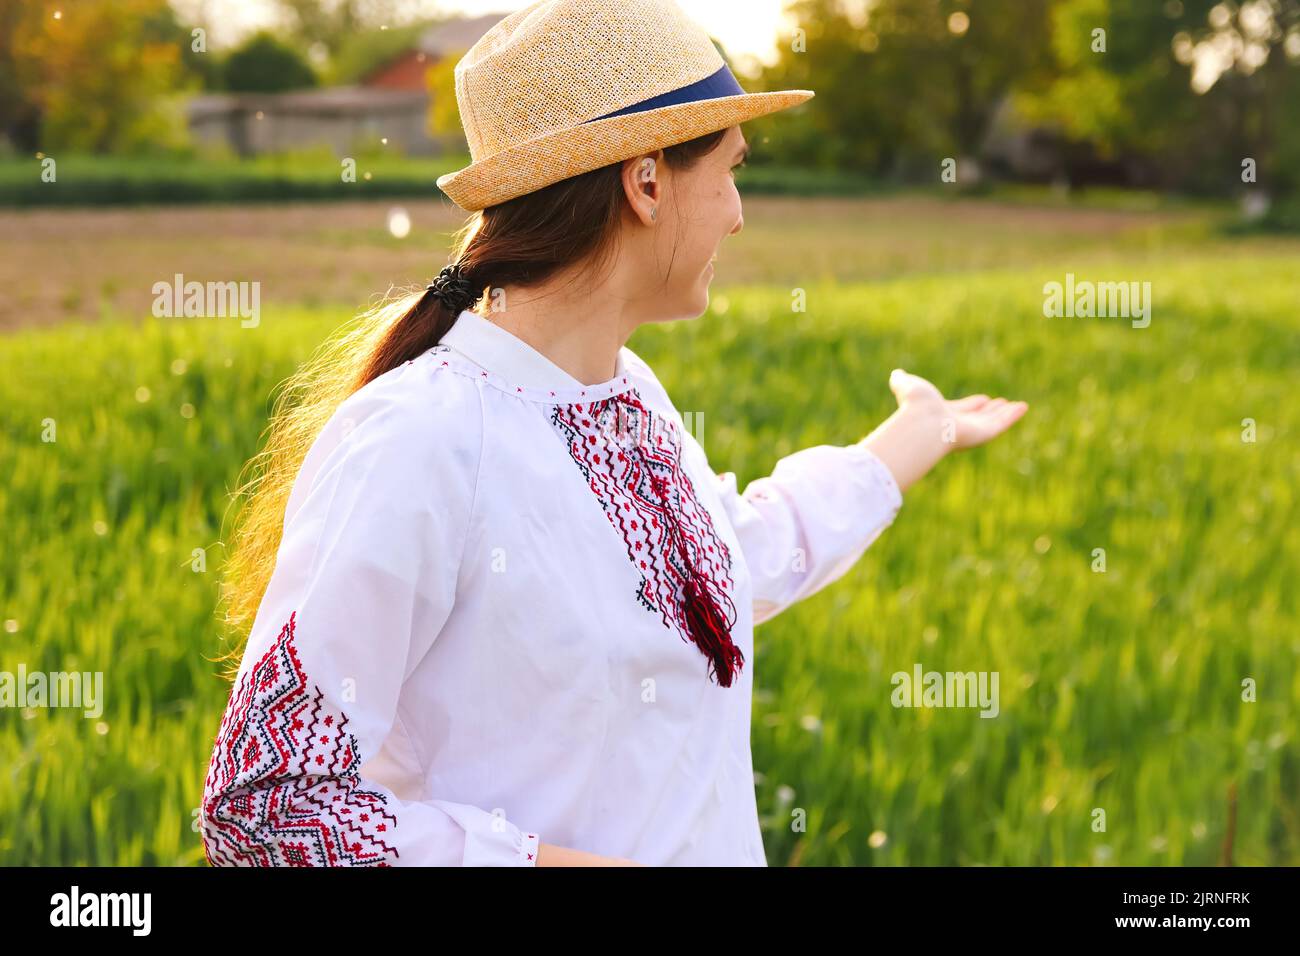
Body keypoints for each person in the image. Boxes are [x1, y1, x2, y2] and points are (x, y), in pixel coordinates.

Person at [200, 0, 1028, 867]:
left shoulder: (628, 395)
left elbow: (723, 567)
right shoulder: (418, 441)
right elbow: (267, 812)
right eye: (731, 171)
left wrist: (913, 437)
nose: (739, 214)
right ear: (645, 183)